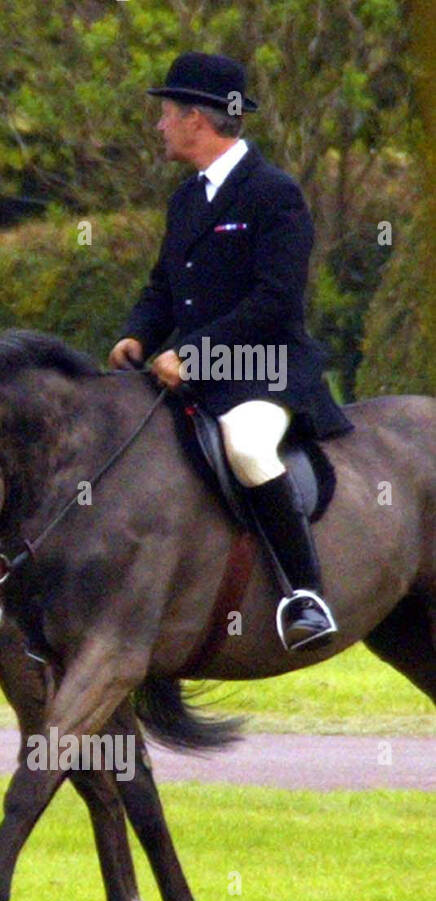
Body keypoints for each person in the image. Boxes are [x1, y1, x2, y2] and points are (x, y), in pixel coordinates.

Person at [109, 51, 352, 651]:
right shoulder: (186, 199)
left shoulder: (275, 193)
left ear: (197, 118)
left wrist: (192, 354)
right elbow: (162, 288)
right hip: (194, 373)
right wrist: (138, 334)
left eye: (166, 114)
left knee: (246, 446)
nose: (159, 125)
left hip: (264, 371)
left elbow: (275, 300)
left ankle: (306, 594)